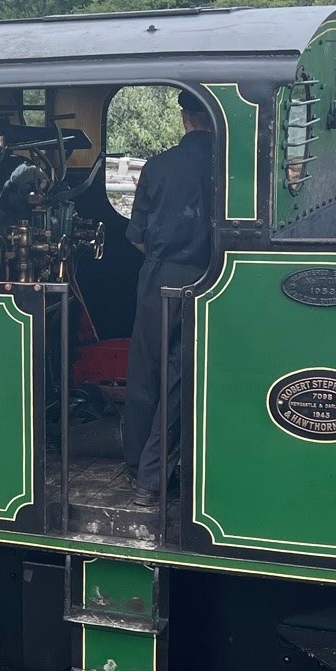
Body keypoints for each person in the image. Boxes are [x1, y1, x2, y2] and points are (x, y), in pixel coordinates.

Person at [122, 90, 214, 506]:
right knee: (179, 384)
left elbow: (136, 237)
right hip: (209, 281)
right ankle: (153, 478)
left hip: (157, 277)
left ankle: (134, 466)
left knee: (145, 374)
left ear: (184, 119)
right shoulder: (227, 168)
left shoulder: (156, 167)